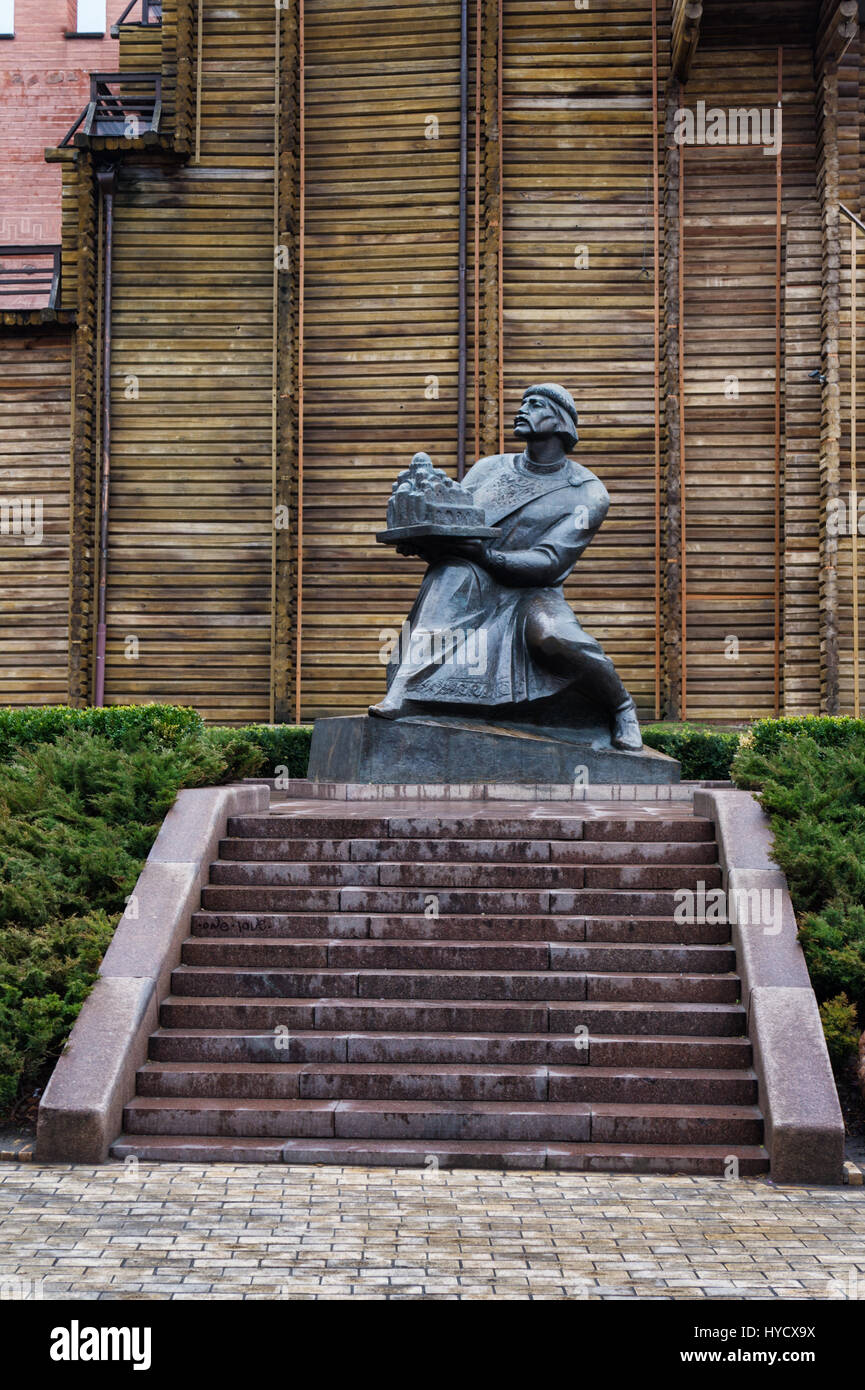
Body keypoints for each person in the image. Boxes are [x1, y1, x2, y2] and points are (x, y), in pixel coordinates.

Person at [369, 382, 643, 752]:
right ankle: (405, 691)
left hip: (532, 591)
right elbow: (460, 525)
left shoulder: (587, 492)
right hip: (474, 577)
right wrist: (424, 542)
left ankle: (621, 705)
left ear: (561, 420)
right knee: (447, 577)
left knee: (555, 636)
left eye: (535, 404)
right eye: (523, 401)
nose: (523, 408)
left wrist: (487, 557)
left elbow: (551, 562)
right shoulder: (489, 468)